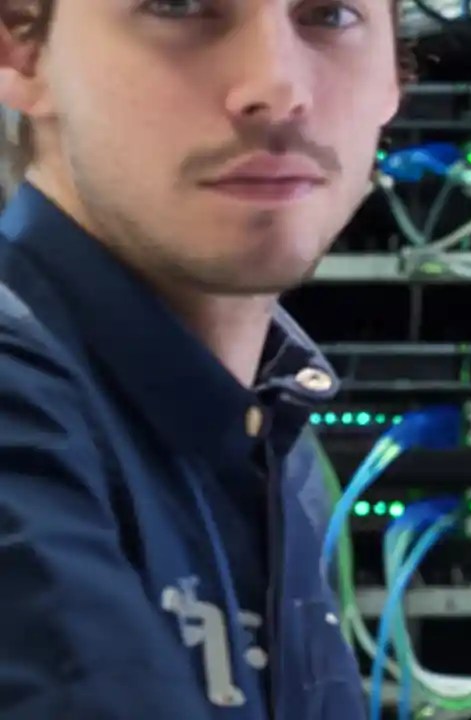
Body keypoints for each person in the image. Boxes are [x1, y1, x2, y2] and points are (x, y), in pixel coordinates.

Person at [0, 0, 405, 717]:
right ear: (21, 50)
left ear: (390, 84)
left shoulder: (267, 436)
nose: (279, 87)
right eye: (181, 7)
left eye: (329, 15)